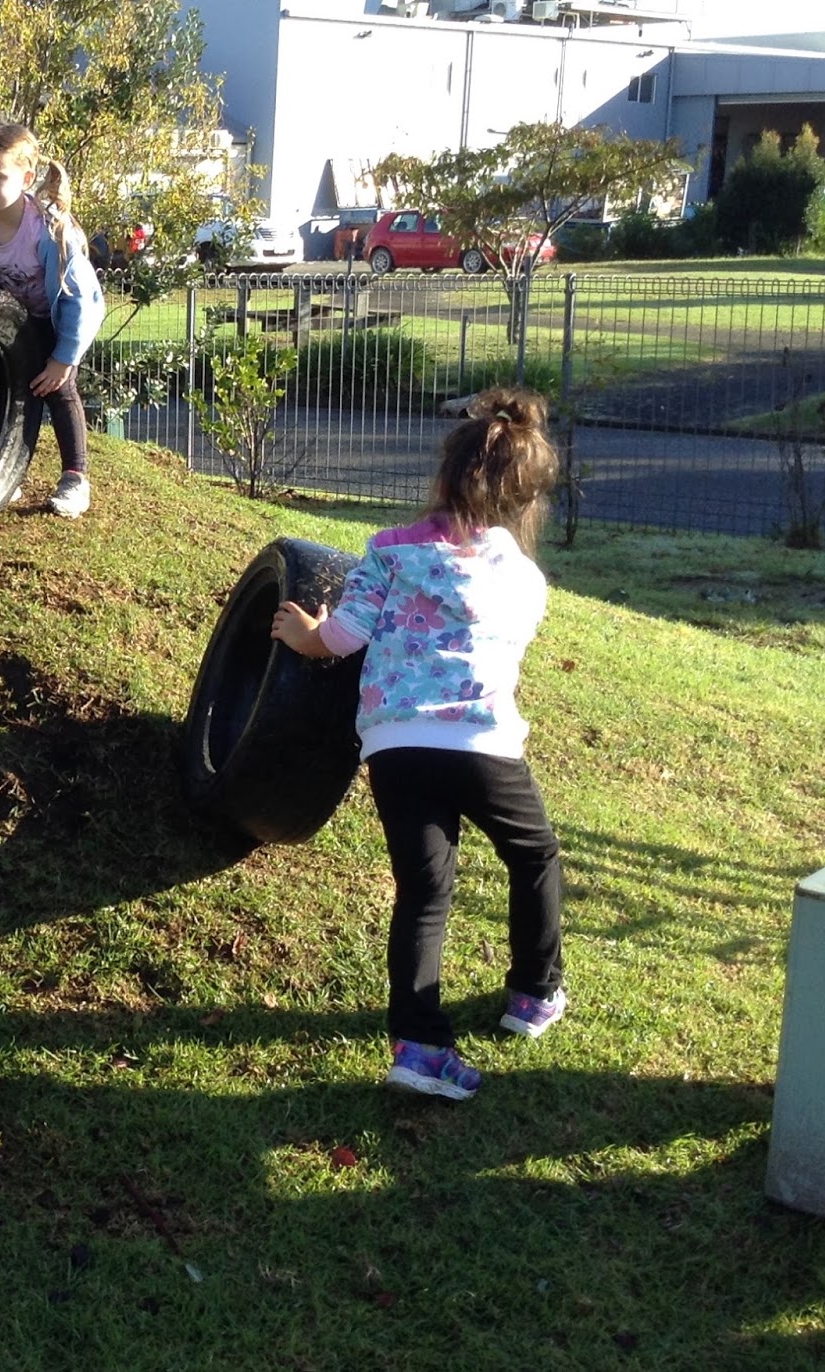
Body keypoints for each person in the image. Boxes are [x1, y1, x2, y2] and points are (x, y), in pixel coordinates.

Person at [270, 388, 565, 1102]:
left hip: (397, 746)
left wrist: (302, 632)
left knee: (425, 891)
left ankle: (420, 1048)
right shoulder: (525, 580)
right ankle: (533, 994)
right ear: (522, 499)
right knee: (534, 854)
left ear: (446, 470)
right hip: (484, 743)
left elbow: (342, 638)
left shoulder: (388, 552)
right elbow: (513, 641)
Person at [0, 121, 106, 519]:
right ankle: (8, 473)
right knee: (11, 388)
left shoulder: (49, 232)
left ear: (26, 178)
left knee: (58, 389)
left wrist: (64, 358)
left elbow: (78, 299)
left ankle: (75, 478)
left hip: (62, 317)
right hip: (18, 319)